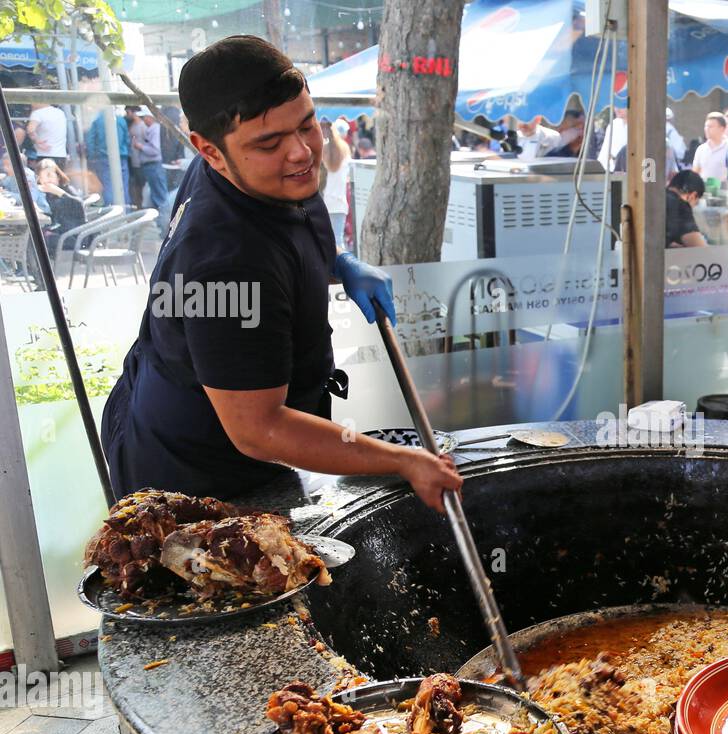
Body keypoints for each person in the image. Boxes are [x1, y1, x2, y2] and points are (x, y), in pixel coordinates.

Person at [100, 35, 462, 511]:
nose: (301, 153)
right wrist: (400, 460)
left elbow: (281, 235)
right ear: (209, 151)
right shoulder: (222, 268)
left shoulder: (253, 167)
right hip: (194, 473)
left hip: (242, 439)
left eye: (307, 124)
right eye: (270, 143)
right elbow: (259, 429)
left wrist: (335, 261)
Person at [130, 112, 170, 236]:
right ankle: (162, 229)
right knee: (156, 198)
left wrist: (140, 146)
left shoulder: (155, 129)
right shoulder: (151, 129)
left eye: (145, 117)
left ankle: (165, 231)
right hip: (151, 167)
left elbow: (155, 150)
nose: (143, 119)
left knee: (161, 199)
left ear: (150, 117)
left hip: (154, 166)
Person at [85, 109, 131, 203]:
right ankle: (126, 208)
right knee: (123, 186)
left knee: (108, 186)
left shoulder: (96, 120)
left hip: (104, 158)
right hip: (121, 157)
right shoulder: (121, 120)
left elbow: (90, 141)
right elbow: (127, 140)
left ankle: (111, 208)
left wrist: (92, 157)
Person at [35, 159, 86, 239]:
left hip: (72, 235)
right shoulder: (44, 194)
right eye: (41, 177)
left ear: (58, 176)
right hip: (57, 231)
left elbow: (79, 204)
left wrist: (59, 192)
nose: (46, 180)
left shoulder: (66, 188)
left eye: (49, 175)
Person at [320, 118, 351, 247]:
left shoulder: (320, 149)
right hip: (339, 201)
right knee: (338, 240)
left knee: (322, 241)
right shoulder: (344, 148)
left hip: (322, 201)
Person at [666, 169, 707, 247]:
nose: (692, 207)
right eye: (695, 203)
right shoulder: (681, 206)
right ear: (692, 196)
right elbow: (700, 249)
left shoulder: (659, 196)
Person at [692, 111, 728, 183]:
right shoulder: (701, 149)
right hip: (703, 189)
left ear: (722, 128)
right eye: (706, 126)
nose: (707, 129)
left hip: (723, 189)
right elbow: (695, 173)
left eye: (710, 126)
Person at [27, 102, 69, 167]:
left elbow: (30, 130)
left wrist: (37, 141)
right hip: (61, 155)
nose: (31, 104)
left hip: (44, 156)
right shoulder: (60, 112)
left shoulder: (37, 113)